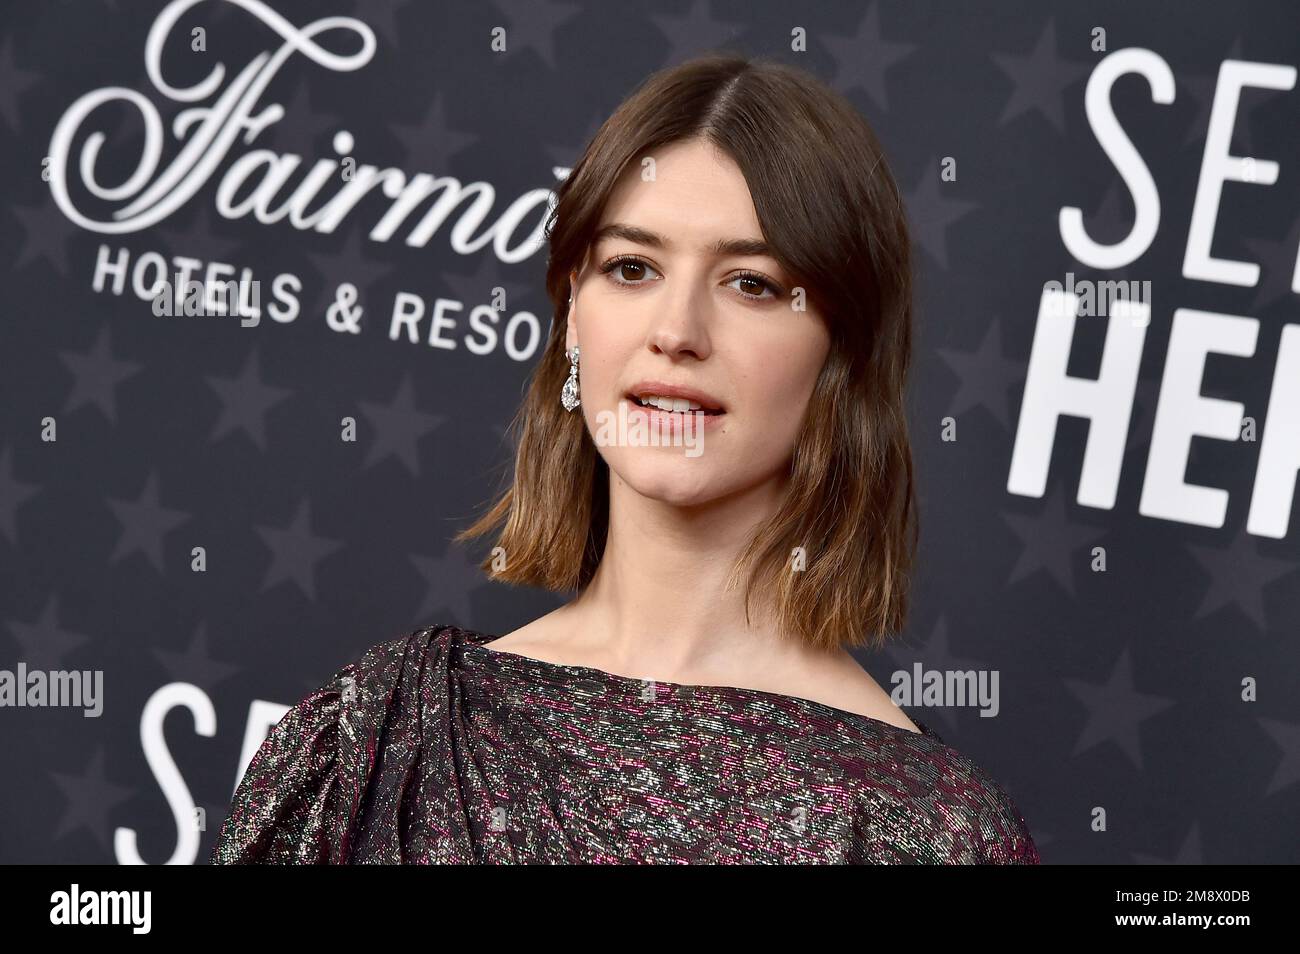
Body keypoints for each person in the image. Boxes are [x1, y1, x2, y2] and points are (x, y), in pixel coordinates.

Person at [211, 52, 1039, 864]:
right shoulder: (381, 742)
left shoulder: (932, 833)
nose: (676, 331)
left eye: (750, 283)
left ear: (842, 351)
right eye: (631, 267)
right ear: (573, 313)